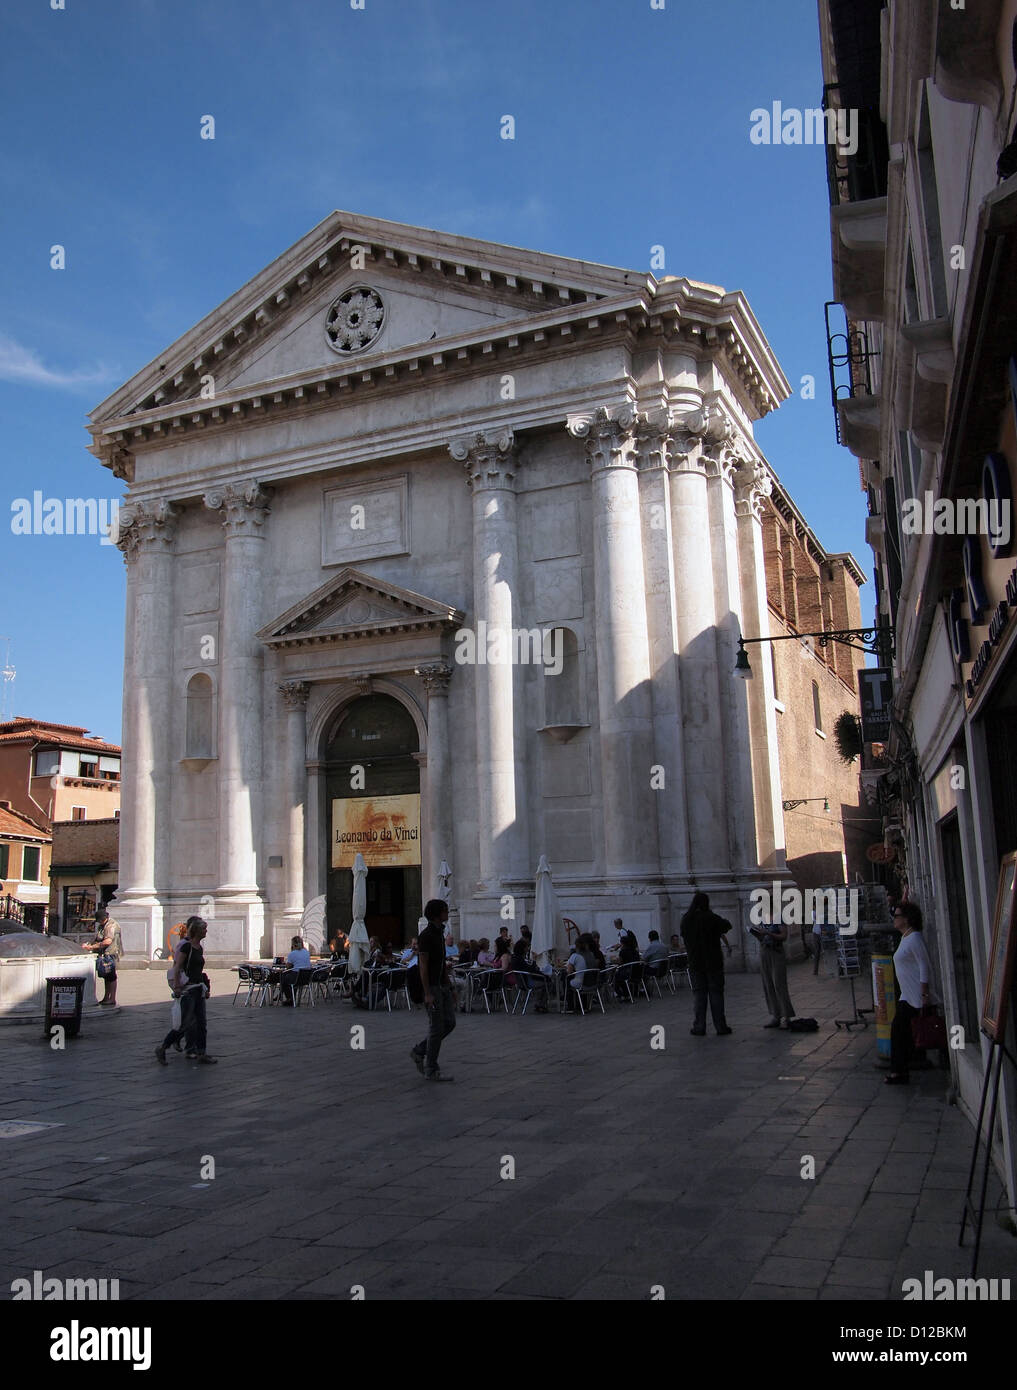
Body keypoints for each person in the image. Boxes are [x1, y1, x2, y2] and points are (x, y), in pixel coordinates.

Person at [886, 902, 937, 1085]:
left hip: (916, 996)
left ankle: (899, 1071)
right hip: (906, 995)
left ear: (906, 919)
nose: (894, 919)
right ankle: (900, 1069)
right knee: (901, 1032)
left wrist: (924, 994)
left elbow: (924, 966)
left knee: (900, 1031)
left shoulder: (914, 938)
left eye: (897, 916)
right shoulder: (905, 937)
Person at [155, 917, 216, 1064]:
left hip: (198, 988)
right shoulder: (186, 947)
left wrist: (205, 987)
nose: (206, 931)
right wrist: (177, 987)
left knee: (202, 1023)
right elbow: (177, 968)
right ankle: (163, 1047)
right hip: (188, 989)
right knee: (185, 1024)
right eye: (204, 928)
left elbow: (199, 970)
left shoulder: (199, 948)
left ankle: (201, 1053)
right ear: (196, 931)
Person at [411, 899, 456, 1081]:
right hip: (433, 988)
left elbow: (441, 965)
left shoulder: (440, 934)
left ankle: (420, 1050)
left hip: (442, 986)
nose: (448, 913)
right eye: (445, 910)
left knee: (450, 1022)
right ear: (438, 914)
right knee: (436, 1028)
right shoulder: (427, 936)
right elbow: (423, 966)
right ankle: (431, 1068)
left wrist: (450, 986)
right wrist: (427, 992)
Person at [680, 892, 733, 1036]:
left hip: (695, 962)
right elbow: (727, 925)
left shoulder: (686, 919)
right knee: (716, 994)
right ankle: (720, 1027)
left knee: (699, 995)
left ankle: (699, 1026)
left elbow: (683, 935)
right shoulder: (711, 918)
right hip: (713, 961)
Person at [749, 913, 795, 1029]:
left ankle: (786, 1017)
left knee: (779, 984)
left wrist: (768, 933)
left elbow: (784, 936)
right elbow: (761, 937)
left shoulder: (778, 918)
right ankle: (776, 1015)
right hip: (765, 951)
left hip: (776, 952)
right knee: (768, 984)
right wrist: (757, 934)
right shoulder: (762, 919)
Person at [81, 905, 122, 1006]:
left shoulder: (111, 925)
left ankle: (112, 998)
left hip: (111, 953)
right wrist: (90, 944)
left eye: (99, 920)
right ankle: (106, 997)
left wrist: (92, 947)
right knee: (106, 976)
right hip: (104, 954)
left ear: (103, 919)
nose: (99, 922)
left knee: (111, 976)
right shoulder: (103, 925)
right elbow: (99, 938)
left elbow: (108, 941)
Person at [278, 935, 311, 1005]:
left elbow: (288, 967)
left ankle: (289, 998)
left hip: (297, 977)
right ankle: (289, 996)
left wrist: (292, 951)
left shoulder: (292, 953)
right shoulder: (307, 952)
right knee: (289, 977)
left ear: (293, 944)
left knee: (283, 977)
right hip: (306, 977)